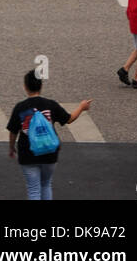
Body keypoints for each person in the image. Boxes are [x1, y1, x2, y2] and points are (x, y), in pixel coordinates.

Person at [7, 70, 93, 200]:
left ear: (25, 87)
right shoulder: (50, 104)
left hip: (28, 153)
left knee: (33, 189)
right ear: (41, 86)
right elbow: (69, 119)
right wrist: (81, 107)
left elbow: (13, 131)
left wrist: (12, 147)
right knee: (46, 185)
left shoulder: (20, 107)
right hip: (49, 152)